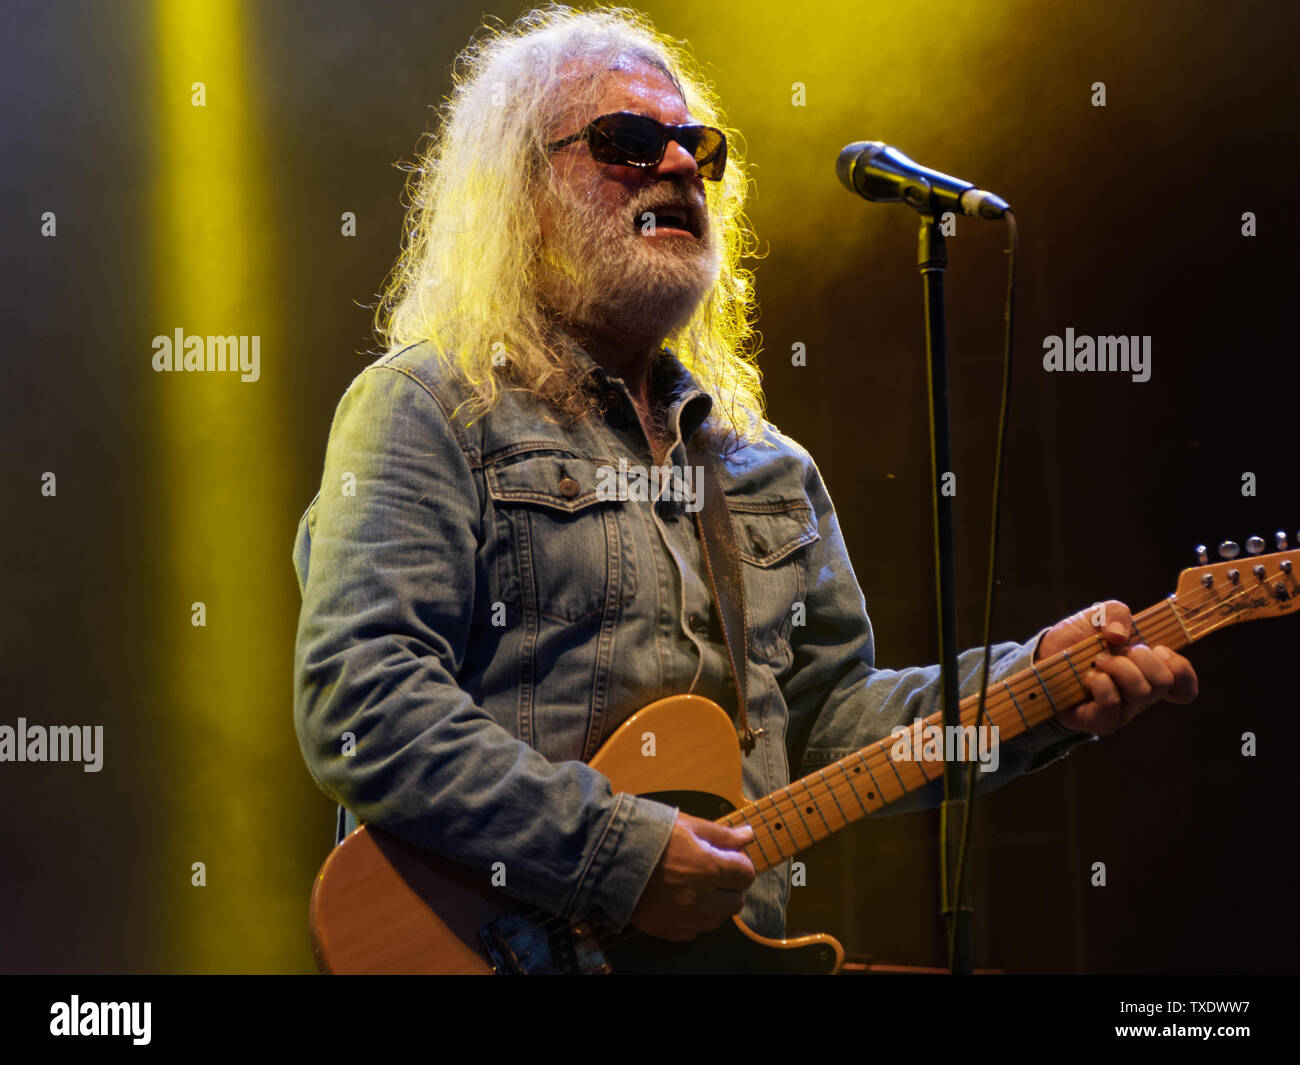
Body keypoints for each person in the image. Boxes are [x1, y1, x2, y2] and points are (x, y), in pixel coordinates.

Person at [291, 5, 1197, 949]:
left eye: (695, 147)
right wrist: (620, 850)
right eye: (630, 142)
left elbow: (828, 724)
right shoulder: (430, 406)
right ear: (521, 192)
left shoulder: (766, 469)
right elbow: (365, 698)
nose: (679, 166)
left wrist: (1035, 687)